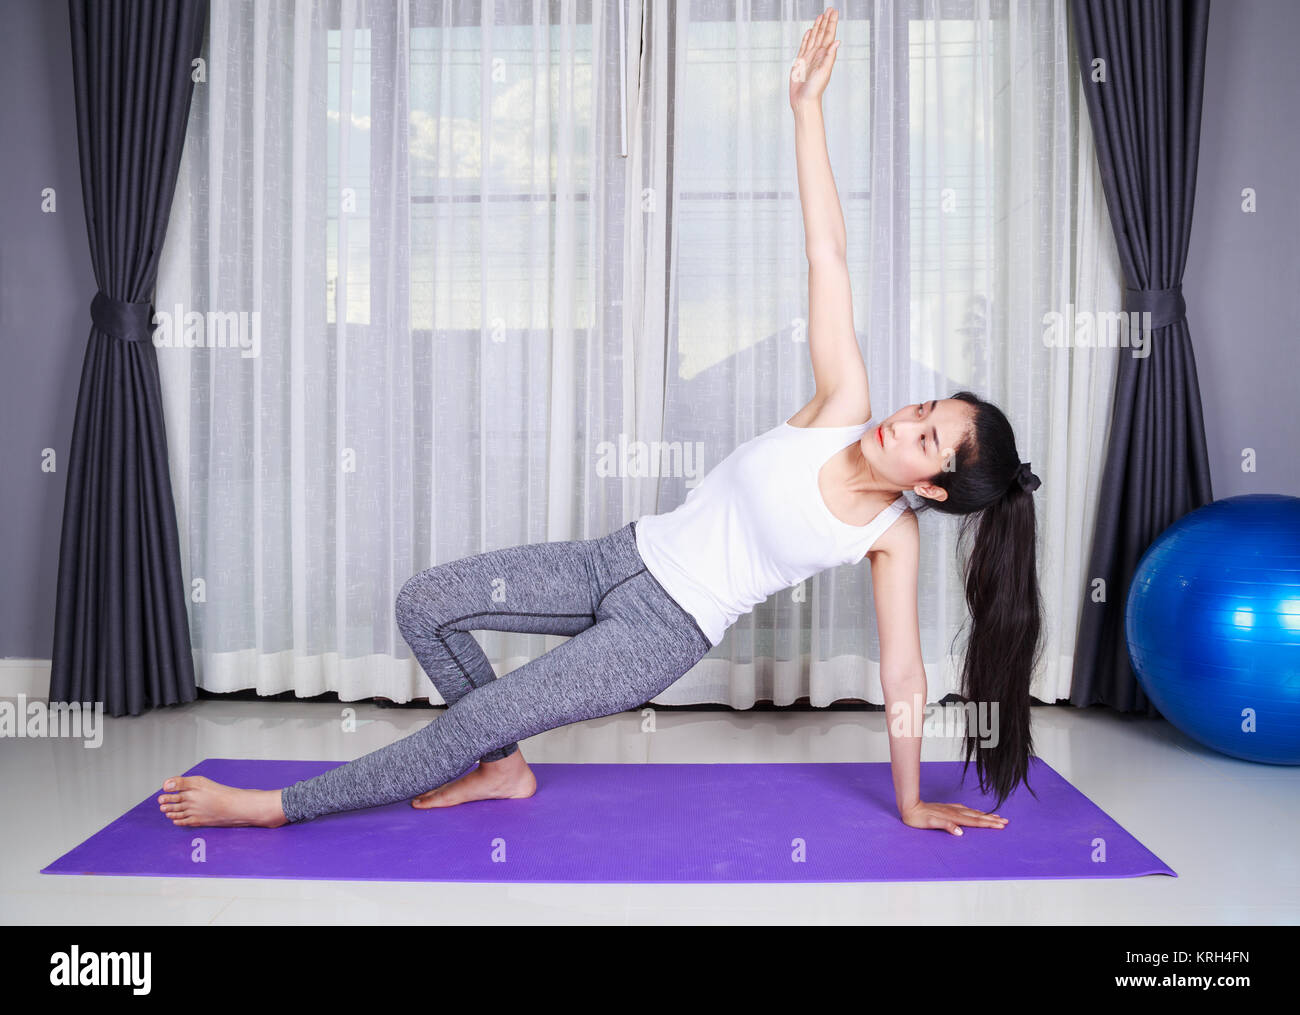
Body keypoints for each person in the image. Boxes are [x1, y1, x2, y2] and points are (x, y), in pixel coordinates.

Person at [157, 7, 1041, 834]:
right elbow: (827, 253)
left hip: (659, 633)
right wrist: (806, 110)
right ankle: (501, 768)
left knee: (485, 709)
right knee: (424, 603)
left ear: (931, 485)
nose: (904, 420)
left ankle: (271, 807)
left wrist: (912, 796)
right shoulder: (840, 404)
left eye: (927, 438)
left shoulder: (891, 536)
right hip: (612, 558)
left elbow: (902, 674)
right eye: (925, 406)